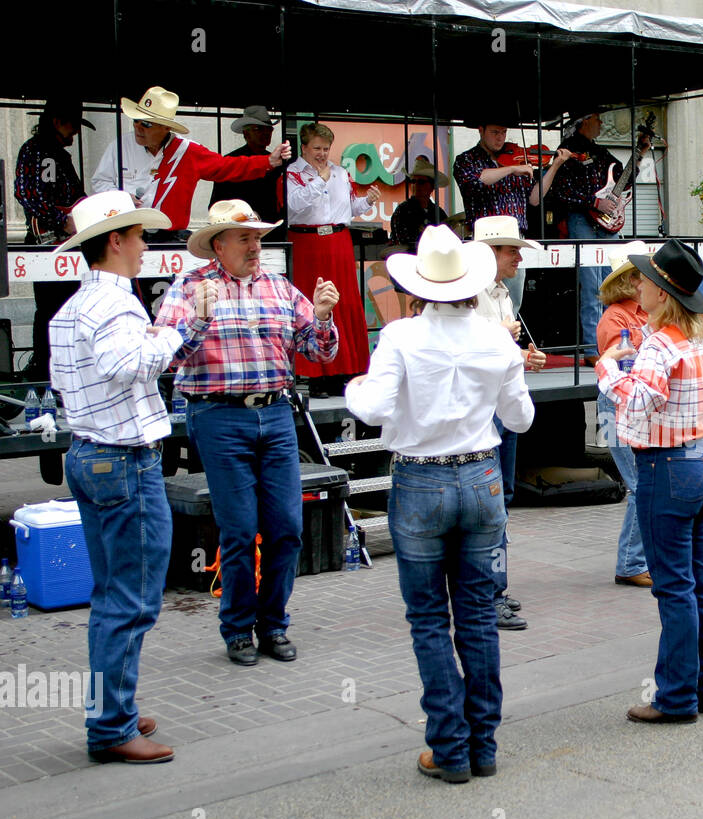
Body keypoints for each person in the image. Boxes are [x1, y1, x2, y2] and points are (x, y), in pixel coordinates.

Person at [345, 225, 534, 781]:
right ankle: (483, 745)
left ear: (422, 286)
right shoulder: (497, 338)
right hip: (481, 477)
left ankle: (450, 747)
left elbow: (374, 408)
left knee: (428, 617)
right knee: (476, 614)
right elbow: (521, 418)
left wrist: (355, 387)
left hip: (422, 481)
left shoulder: (401, 336)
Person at [154, 199, 340, 666]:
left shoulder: (279, 287)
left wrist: (321, 316)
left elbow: (320, 354)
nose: (256, 246)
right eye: (245, 238)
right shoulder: (190, 287)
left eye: (258, 237)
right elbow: (164, 356)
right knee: (239, 529)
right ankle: (238, 629)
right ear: (218, 245)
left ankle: (272, 624)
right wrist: (197, 319)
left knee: (287, 528)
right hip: (218, 417)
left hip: (276, 413)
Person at [48, 192, 182, 764]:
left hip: (89, 452)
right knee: (130, 599)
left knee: (113, 595)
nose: (144, 245)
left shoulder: (71, 309)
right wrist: (175, 331)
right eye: (138, 236)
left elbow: (76, 377)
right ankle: (110, 725)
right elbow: (128, 366)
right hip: (123, 458)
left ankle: (114, 710)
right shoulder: (116, 307)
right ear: (116, 241)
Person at [596, 239, 703, 722]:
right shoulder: (696, 340)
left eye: (645, 280)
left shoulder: (657, 344)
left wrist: (608, 368)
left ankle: (676, 697)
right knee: (700, 580)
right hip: (701, 461)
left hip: (666, 468)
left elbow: (640, 400)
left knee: (674, 587)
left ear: (663, 294)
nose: (638, 285)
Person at [472, 215, 548, 628]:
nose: (518, 256)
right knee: (491, 504)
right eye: (510, 249)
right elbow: (473, 355)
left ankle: (495, 588)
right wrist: (511, 349)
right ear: (488, 253)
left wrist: (522, 357)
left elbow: (500, 353)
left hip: (500, 408)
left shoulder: (499, 292)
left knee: (502, 501)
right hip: (485, 414)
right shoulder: (471, 296)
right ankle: (489, 593)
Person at [91, 86, 291, 235]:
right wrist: (121, 199)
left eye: (145, 123)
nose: (137, 127)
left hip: (169, 238)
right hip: (125, 233)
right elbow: (99, 182)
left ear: (165, 128)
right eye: (135, 120)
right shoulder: (120, 145)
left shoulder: (186, 151)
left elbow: (226, 166)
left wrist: (268, 162)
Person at [284, 122, 377, 393]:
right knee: (311, 301)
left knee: (344, 301)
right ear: (303, 147)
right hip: (306, 241)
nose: (322, 154)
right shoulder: (292, 173)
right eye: (316, 148)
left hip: (337, 240)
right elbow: (293, 206)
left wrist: (368, 201)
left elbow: (348, 207)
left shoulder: (340, 172)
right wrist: (318, 181)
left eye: (326, 148)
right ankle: (313, 374)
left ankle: (345, 369)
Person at [551, 112, 650, 361]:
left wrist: (640, 153)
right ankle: (592, 349)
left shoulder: (601, 151)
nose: (602, 124)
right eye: (597, 119)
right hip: (582, 220)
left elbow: (622, 177)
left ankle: (614, 341)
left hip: (604, 223)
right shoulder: (566, 151)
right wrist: (595, 202)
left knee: (616, 282)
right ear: (585, 122)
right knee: (593, 286)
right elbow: (560, 191)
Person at [452, 118, 572, 309]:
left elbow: (534, 198)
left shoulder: (515, 158)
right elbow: (476, 181)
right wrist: (511, 169)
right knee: (483, 299)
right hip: (487, 241)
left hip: (515, 238)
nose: (500, 138)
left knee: (512, 301)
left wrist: (555, 166)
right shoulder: (467, 160)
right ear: (481, 130)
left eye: (504, 132)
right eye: (495, 132)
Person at [14, 96, 92, 382]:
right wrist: (62, 220)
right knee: (50, 310)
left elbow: (76, 195)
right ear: (58, 122)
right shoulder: (35, 151)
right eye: (73, 125)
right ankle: (46, 371)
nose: (76, 132)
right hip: (46, 246)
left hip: (68, 246)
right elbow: (25, 194)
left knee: (68, 307)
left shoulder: (59, 155)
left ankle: (65, 371)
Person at [595, 241, 653, 585]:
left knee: (641, 483)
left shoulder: (631, 313)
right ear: (630, 279)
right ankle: (631, 563)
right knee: (639, 484)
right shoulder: (618, 317)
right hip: (619, 404)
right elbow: (625, 364)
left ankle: (635, 560)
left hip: (627, 402)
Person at [208, 105, 286, 234]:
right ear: (246, 133)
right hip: (239, 229)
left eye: (269, 129)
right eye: (258, 129)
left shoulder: (279, 162)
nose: (265, 133)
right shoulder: (231, 161)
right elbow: (217, 203)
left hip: (273, 230)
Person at [389, 158, 450, 250]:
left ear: (431, 187)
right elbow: (401, 242)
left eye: (421, 182)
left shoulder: (439, 213)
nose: (416, 185)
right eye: (413, 181)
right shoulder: (403, 210)